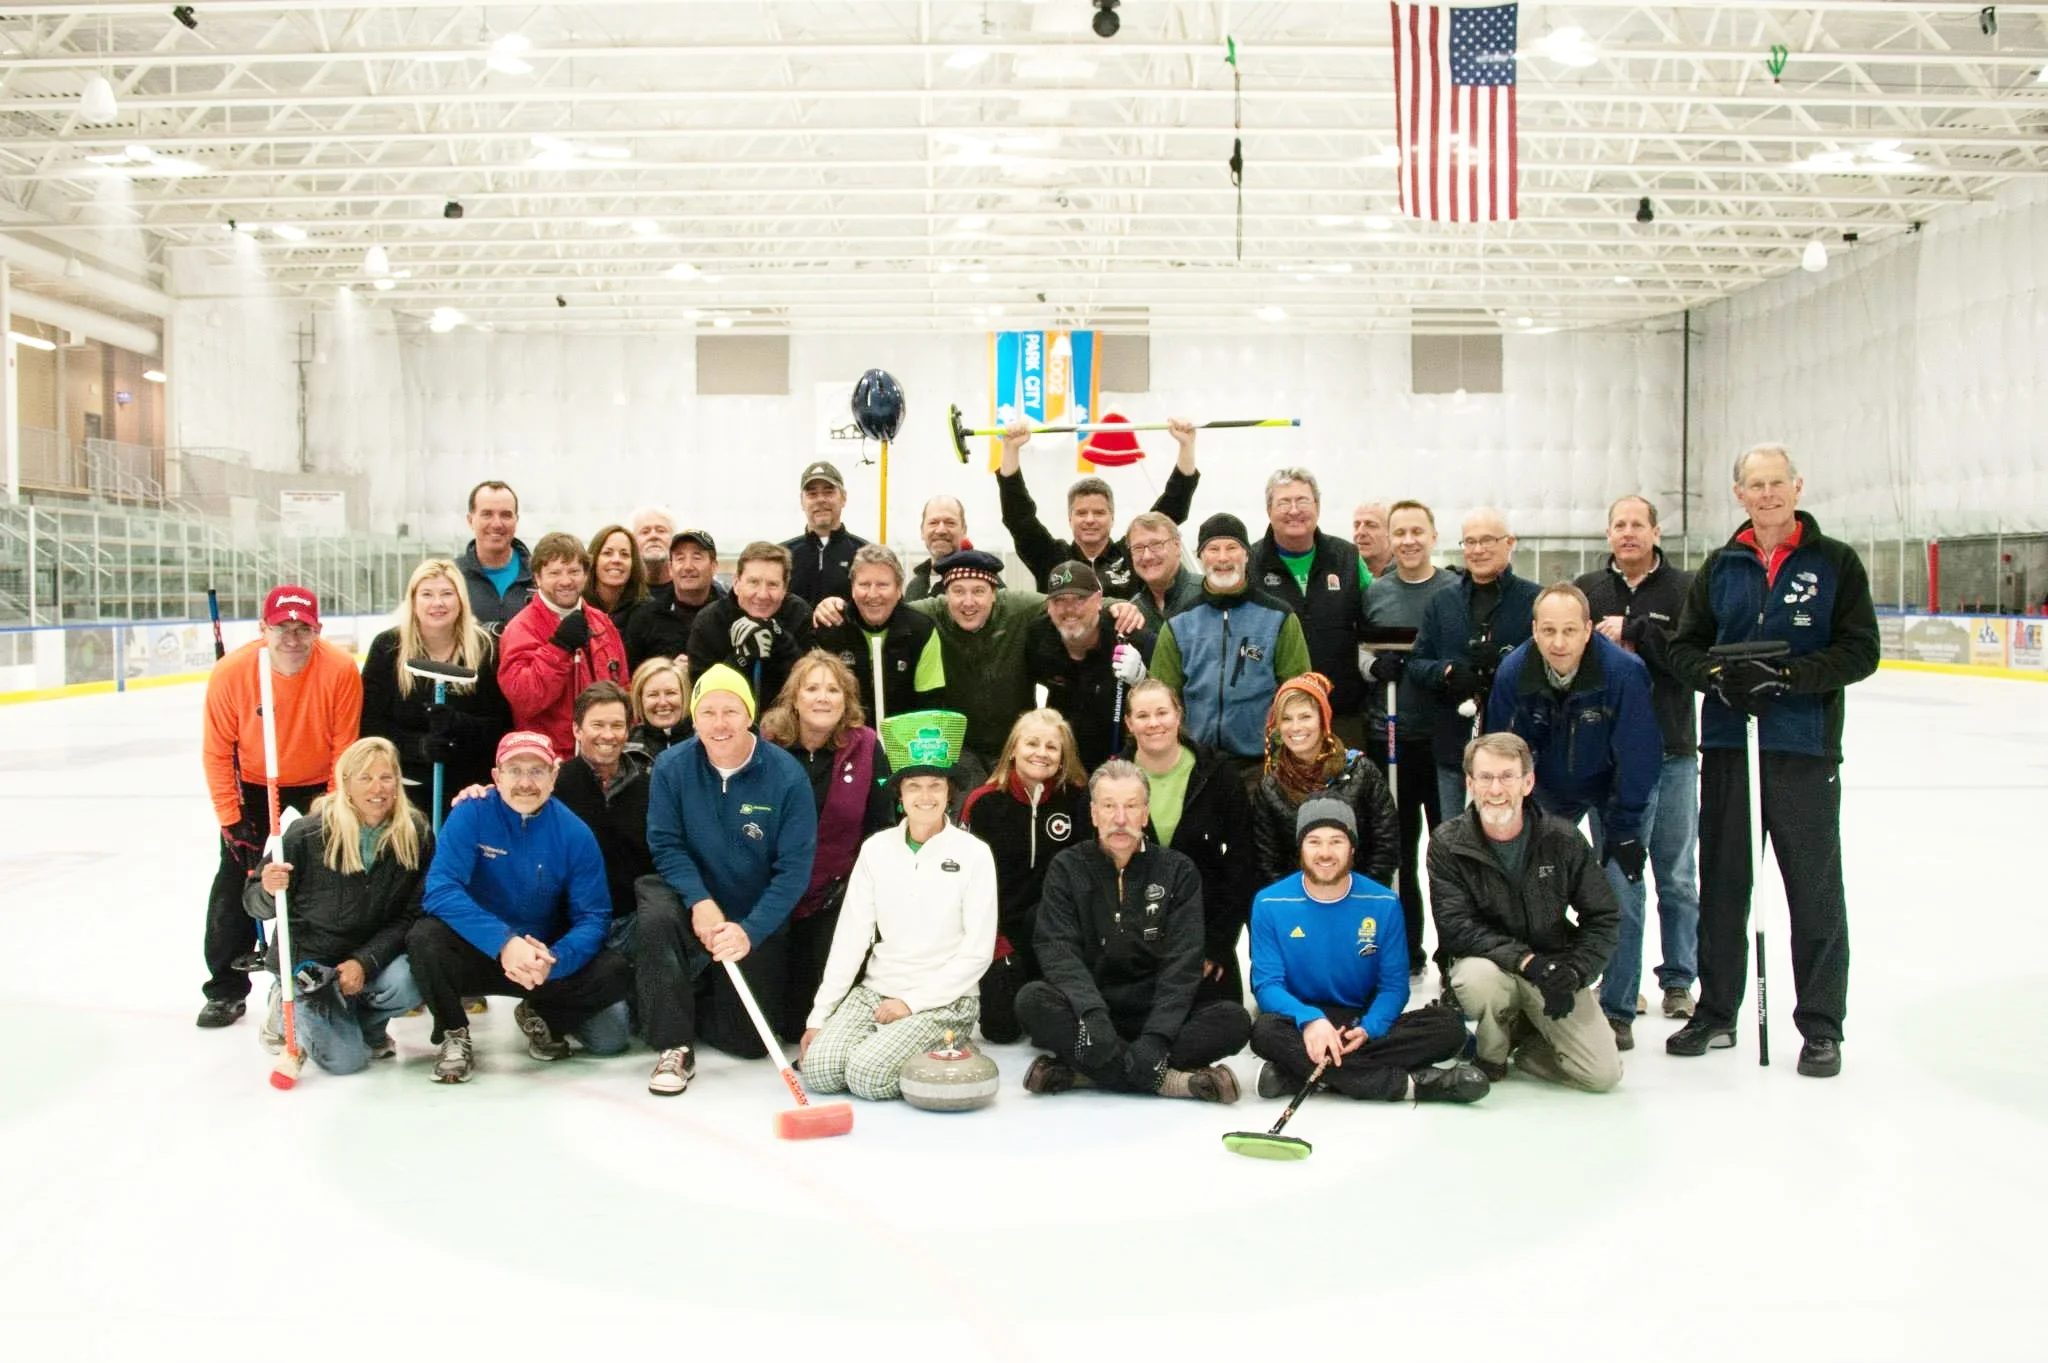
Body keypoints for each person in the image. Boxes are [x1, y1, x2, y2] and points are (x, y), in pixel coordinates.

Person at [1664, 444, 1879, 1078]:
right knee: (1725, 886)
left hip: (1803, 749)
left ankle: (1821, 1025)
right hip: (1732, 747)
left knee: (1813, 891)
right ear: (1740, 494)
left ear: (1797, 486)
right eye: (1754, 485)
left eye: (1776, 483)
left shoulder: (1834, 562)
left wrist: (1787, 677)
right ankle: (1717, 1010)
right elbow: (1684, 649)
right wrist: (1720, 679)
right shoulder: (1721, 565)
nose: (1766, 494)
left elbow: (1859, 651)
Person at [1486, 583, 1660, 1050]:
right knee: (1531, 886)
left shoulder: (1624, 672)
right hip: (1544, 785)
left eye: (1568, 630)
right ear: (1534, 631)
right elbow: (1499, 748)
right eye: (1548, 631)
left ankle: (1618, 1009)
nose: (1558, 642)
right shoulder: (1513, 671)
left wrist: (1624, 833)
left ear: (1588, 630)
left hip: (1611, 784)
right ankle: (1532, 996)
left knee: (1621, 886)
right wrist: (1506, 810)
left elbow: (1639, 757)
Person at [1015, 760, 1252, 1100]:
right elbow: (1058, 951)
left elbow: (1183, 963)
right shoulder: (1067, 867)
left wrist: (1157, 1037)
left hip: (1158, 1011)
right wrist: (1093, 1016)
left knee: (1233, 1020)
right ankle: (1173, 1081)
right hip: (1093, 1012)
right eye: (1109, 807)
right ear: (1094, 814)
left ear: (1145, 814)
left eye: (1131, 806)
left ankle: (1086, 1074)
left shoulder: (1178, 871)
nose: (1120, 819)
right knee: (1031, 1001)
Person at [409, 731, 633, 1083]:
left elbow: (593, 917)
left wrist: (554, 960)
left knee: (615, 984)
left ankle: (541, 1015)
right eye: (514, 771)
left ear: (554, 776)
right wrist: (503, 942)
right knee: (425, 937)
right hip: (480, 950)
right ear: (496, 777)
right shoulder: (471, 813)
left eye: (537, 771)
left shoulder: (575, 834)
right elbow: (439, 890)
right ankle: (453, 1032)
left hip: (538, 960)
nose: (525, 783)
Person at [638, 665, 818, 1095]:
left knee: (749, 1044)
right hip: (690, 899)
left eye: (731, 711)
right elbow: (665, 844)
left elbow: (794, 870)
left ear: (749, 715)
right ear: (694, 717)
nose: (720, 724)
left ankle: (697, 988)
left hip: (752, 911)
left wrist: (749, 931)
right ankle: (673, 1042)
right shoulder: (671, 766)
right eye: (708, 712)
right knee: (654, 914)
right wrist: (699, 901)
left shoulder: (786, 775)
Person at [800, 711, 997, 1102]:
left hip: (944, 998)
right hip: (878, 989)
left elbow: (977, 952)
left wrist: (911, 1003)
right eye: (914, 787)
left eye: (935, 786)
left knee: (867, 1077)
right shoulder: (876, 850)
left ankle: (952, 1044)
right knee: (820, 1071)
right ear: (900, 795)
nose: (926, 796)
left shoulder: (974, 854)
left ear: (949, 793)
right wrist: (819, 1016)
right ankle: (888, 1043)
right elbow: (851, 937)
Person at [198, 585, 363, 1028]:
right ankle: (225, 989)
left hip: (318, 781)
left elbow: (344, 748)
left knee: (325, 873)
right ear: (262, 628)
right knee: (238, 875)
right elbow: (216, 753)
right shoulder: (233, 673)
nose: (292, 638)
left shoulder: (341, 670)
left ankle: (327, 968)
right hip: (253, 780)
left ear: (317, 630)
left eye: (302, 628)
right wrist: (231, 820)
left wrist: (329, 810)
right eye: (282, 628)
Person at [1248, 798, 1486, 1103]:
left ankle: (1301, 1072)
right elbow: (1267, 985)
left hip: (1358, 1020)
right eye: (1314, 842)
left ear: (1352, 849)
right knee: (1264, 1031)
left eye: (1336, 841)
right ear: (1300, 848)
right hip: (1300, 1020)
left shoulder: (1382, 903)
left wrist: (1371, 1028)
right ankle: (1412, 1085)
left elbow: (1394, 986)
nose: (1324, 853)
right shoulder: (1269, 903)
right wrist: (1309, 1020)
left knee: (1448, 1027)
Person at [1428, 733, 1622, 1092]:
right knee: (1475, 978)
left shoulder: (1562, 839)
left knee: (1603, 1076)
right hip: (1491, 965)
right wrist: (1528, 962)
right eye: (1485, 777)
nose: (1496, 788)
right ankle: (1492, 1053)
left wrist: (1576, 971)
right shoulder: (1447, 843)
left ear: (1528, 782)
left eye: (1507, 776)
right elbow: (1457, 926)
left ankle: (1531, 1046)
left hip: (1552, 965)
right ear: (1470, 783)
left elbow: (1604, 915)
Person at [1577, 495, 1701, 1021]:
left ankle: (1678, 979)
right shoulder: (1587, 590)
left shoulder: (1685, 589)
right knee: (1619, 878)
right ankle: (1618, 985)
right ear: (1608, 534)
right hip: (1609, 761)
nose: (1628, 533)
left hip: (1672, 752)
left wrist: (1635, 633)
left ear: (1656, 532)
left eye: (1637, 524)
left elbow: (1691, 660)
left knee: (1675, 873)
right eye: (1618, 525)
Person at [243, 736, 428, 1074]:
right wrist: (268, 889)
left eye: (386, 777)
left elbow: (412, 915)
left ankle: (366, 1029)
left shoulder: (415, 834)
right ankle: (285, 1011)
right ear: (345, 783)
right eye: (365, 778)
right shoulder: (306, 834)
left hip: (370, 960)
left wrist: (364, 961)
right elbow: (254, 904)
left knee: (414, 978)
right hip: (310, 964)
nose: (378, 788)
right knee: (346, 1062)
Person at [759, 650, 895, 1039]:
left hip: (836, 896)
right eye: (812, 688)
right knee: (770, 1029)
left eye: (833, 690)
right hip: (772, 892)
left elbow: (879, 827)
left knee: (812, 1018)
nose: (822, 698)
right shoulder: (767, 745)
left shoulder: (867, 746)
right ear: (794, 698)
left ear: (846, 700)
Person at [1363, 500, 1458, 972]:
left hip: (1442, 742)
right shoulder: (1377, 592)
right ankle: (1409, 947)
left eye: (1417, 531)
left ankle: (1453, 948)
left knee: (1447, 849)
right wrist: (1374, 665)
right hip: (1391, 741)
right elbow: (1360, 652)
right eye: (1399, 533)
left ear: (1433, 535)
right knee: (1397, 849)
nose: (1408, 541)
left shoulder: (1453, 590)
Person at [1147, 513, 1312, 786]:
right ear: (1201, 557)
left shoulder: (1279, 617)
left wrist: (1280, 750)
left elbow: (1298, 693)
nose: (1223, 558)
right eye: (1213, 549)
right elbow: (1160, 697)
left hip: (1262, 768)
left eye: (1232, 548)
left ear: (1246, 555)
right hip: (1196, 768)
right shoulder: (1178, 624)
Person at [1121, 678, 1257, 1006]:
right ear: (1128, 723)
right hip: (1134, 937)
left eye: (1162, 712)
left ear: (1179, 715)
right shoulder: (1112, 779)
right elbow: (1094, 870)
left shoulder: (1218, 775)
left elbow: (1241, 865)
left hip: (1204, 933)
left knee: (1222, 1020)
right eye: (1142, 715)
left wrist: (1216, 946)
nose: (1153, 723)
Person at [959, 709, 1092, 1043]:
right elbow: (962, 884)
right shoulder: (983, 803)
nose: (1041, 753)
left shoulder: (1078, 799)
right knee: (1002, 1031)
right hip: (1001, 934)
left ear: (1063, 756)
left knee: (1049, 1029)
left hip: (1056, 933)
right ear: (1013, 748)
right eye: (1032, 743)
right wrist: (991, 941)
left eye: (1052, 747)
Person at [358, 558, 512, 828]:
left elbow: (500, 725)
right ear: (413, 601)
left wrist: (458, 725)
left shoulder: (486, 649)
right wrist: (419, 747)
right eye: (427, 594)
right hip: (407, 788)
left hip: (469, 789)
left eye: (446, 594)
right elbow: (371, 725)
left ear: (461, 600)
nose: (437, 603)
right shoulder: (388, 648)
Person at [1409, 507, 1538, 821]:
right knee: (1454, 835)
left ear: (1510, 542)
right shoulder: (1443, 602)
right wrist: (1447, 671)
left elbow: (1547, 667)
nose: (1478, 550)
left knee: (1510, 831)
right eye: (1470, 542)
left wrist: (1504, 663)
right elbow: (1417, 663)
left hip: (1512, 749)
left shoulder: (1533, 601)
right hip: (1454, 746)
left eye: (1487, 540)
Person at [997, 416, 1200, 596]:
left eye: (1099, 512)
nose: (1090, 519)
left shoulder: (1131, 554)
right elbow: (1019, 518)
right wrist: (1010, 449)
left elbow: (1172, 507)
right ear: (1070, 519)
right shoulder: (1051, 557)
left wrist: (1187, 446)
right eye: (1081, 513)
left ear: (1112, 517)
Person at [1250, 468, 1373, 746]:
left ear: (1317, 506)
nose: (1294, 511)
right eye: (1284, 502)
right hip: (1280, 716)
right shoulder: (1250, 563)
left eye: (1303, 501)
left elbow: (1373, 617)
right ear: (1269, 510)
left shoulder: (1347, 557)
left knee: (1346, 788)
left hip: (1343, 711)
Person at [1249, 672, 1398, 891]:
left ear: (1323, 720)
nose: (1296, 727)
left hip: (1358, 898)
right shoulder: (1270, 787)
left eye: (1305, 716)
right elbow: (1267, 859)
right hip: (1296, 905)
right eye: (1287, 719)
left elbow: (1386, 844)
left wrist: (1357, 894)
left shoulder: (1361, 771)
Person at [497, 531, 628, 755]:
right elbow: (525, 699)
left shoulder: (602, 623)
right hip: (550, 759)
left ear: (586, 575)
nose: (566, 581)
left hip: (605, 754)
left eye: (574, 571)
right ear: (537, 578)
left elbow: (623, 687)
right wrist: (558, 648)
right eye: (554, 573)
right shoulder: (521, 629)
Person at [1026, 560, 1153, 769]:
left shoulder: (1132, 635)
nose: (1068, 609)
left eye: (1079, 599)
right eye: (1059, 600)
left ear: (1098, 600)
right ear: (1048, 606)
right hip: (1065, 765)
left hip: (1128, 765)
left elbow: (1168, 699)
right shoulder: (1037, 637)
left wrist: (1143, 679)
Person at [551, 681, 653, 927]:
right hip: (570, 923)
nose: (608, 735)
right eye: (597, 725)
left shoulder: (649, 787)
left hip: (634, 923)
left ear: (628, 731)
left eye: (617, 725)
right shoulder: (554, 785)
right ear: (577, 729)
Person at [812, 543, 945, 725]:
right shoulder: (831, 626)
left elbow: (930, 705)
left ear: (899, 590)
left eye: (882, 585)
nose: (872, 594)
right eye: (864, 584)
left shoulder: (921, 630)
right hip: (844, 739)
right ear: (852, 588)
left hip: (902, 742)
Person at [687, 540, 814, 714]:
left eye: (772, 585)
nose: (762, 595)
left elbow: (809, 682)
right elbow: (700, 691)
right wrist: (740, 658)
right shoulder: (710, 621)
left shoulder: (799, 613)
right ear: (737, 583)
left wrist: (779, 639)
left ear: (785, 588)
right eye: (753, 582)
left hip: (787, 723)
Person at [624, 528, 723, 671]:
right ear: (670, 568)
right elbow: (630, 679)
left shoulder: (728, 616)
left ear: (714, 566)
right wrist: (667, 670)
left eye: (697, 557)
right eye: (680, 558)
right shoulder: (645, 618)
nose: (688, 567)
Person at [783, 460, 869, 606]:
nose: (821, 499)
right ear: (802, 501)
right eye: (812, 494)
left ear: (844, 498)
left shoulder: (866, 554)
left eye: (828, 492)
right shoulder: (782, 555)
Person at [455, 479, 533, 629]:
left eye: (506, 515)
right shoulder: (452, 578)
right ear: (470, 520)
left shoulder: (540, 576)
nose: (497, 524)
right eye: (487, 514)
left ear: (516, 520)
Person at [1125, 510, 1202, 631]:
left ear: (1177, 546)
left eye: (1156, 544)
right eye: (1138, 548)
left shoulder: (1208, 595)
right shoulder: (1132, 613)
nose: (1147, 556)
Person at [583, 523, 648, 631]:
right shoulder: (576, 607)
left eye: (624, 554)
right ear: (593, 560)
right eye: (607, 553)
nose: (616, 560)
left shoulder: (648, 613)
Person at [904, 495, 967, 602]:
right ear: (922, 531)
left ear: (964, 530)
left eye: (950, 523)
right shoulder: (914, 587)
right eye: (933, 523)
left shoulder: (980, 582)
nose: (941, 530)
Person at [627, 656, 689, 757]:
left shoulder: (705, 742)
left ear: (685, 695)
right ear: (640, 699)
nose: (662, 702)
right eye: (653, 695)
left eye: (670, 693)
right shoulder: (627, 748)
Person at [629, 504, 676, 588]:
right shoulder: (622, 592)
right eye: (645, 532)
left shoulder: (688, 590)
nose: (653, 536)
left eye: (661, 531)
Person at [1352, 501, 1395, 581]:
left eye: (1371, 525)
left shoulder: (1409, 575)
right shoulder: (1341, 574)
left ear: (1391, 532)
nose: (1360, 532)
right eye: (1356, 525)